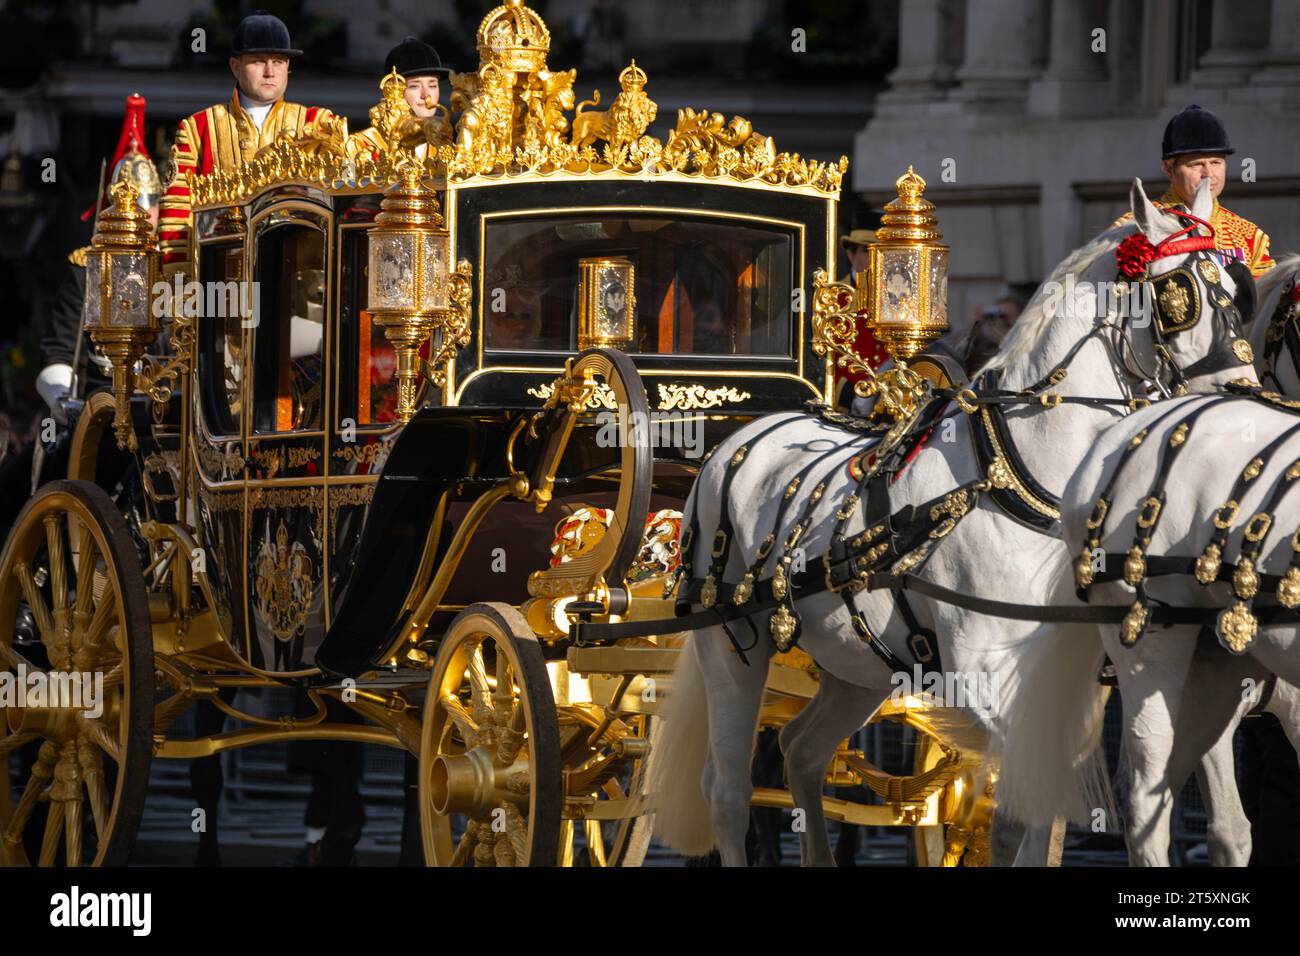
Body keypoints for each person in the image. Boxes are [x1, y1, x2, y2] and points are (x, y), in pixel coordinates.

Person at [158, 11, 344, 278]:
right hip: (219, 278)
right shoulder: (198, 128)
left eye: (279, 62)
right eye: (258, 61)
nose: (270, 72)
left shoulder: (318, 124)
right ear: (235, 66)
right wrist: (180, 281)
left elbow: (337, 202)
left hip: (297, 277)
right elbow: (176, 214)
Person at [1112, 104, 1273, 278]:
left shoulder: (1248, 236)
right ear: (1169, 170)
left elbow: (1266, 302)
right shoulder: (1132, 228)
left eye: (1216, 162)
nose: (1208, 174)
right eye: (1195, 164)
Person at [347, 36, 453, 163]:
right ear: (392, 94)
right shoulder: (357, 144)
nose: (426, 95)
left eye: (432, 85)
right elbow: (341, 180)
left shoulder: (441, 147)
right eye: (414, 86)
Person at [833, 226, 888, 410]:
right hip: (848, 405)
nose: (875, 256)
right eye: (867, 250)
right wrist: (848, 394)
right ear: (850, 254)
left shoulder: (894, 298)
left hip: (888, 404)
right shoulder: (834, 297)